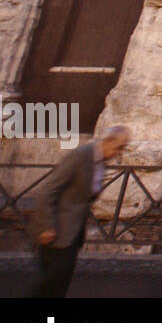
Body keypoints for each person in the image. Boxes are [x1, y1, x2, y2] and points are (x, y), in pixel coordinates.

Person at [27, 125, 131, 298]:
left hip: (73, 232)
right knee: (51, 282)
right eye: (119, 147)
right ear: (108, 141)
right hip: (56, 230)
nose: (120, 152)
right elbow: (48, 190)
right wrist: (46, 226)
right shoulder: (81, 156)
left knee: (60, 282)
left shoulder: (100, 163)